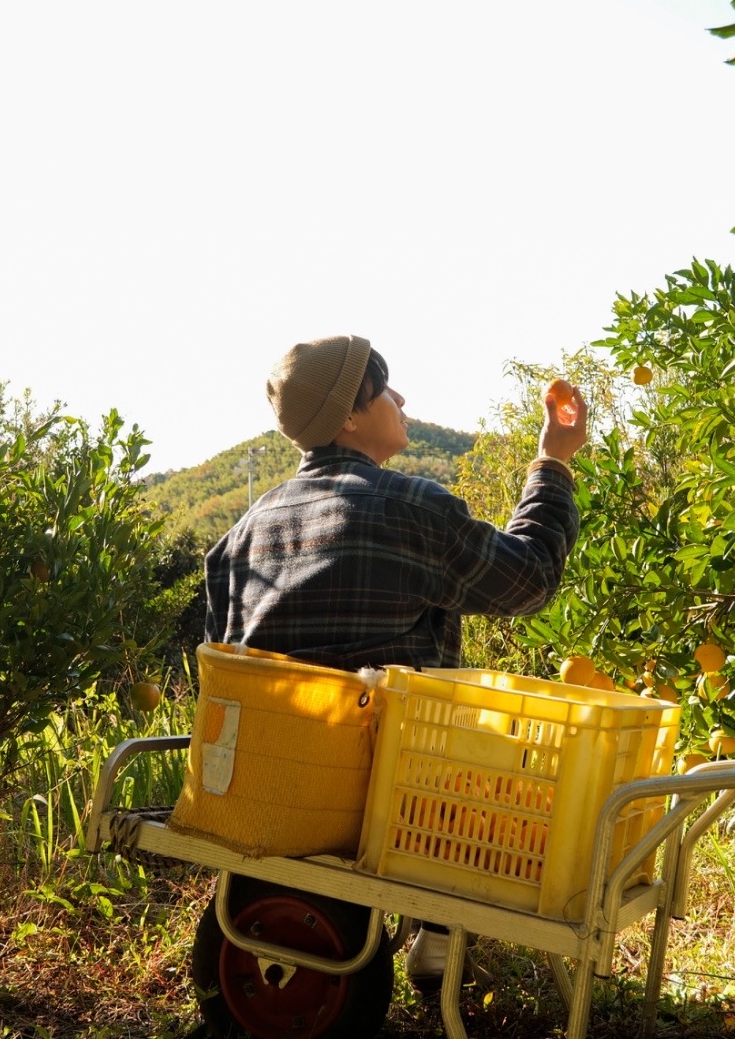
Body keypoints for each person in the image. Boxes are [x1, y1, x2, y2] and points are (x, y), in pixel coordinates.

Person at [202, 334, 586, 994]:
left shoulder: (237, 538)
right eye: (384, 390)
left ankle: (432, 929)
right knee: (493, 741)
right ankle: (440, 924)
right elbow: (528, 580)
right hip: (395, 798)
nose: (401, 399)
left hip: (271, 787)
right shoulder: (412, 508)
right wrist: (551, 462)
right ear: (349, 418)